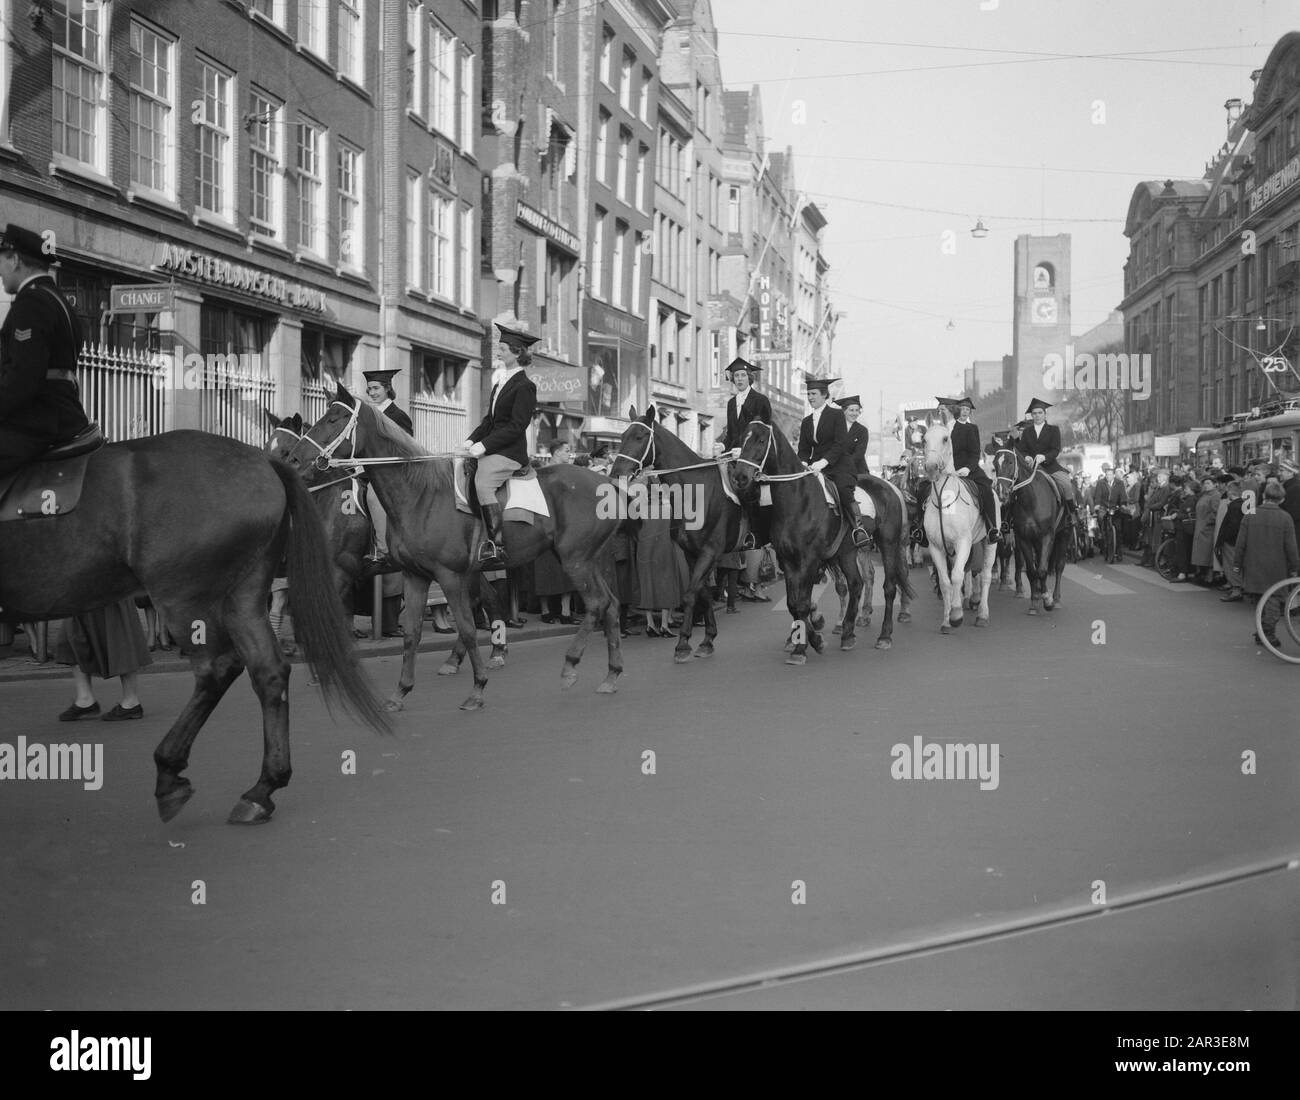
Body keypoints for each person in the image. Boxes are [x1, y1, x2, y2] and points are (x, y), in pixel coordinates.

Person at [0, 222, 90, 476]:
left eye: (1, 262)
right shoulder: (58, 301)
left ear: (15, 260)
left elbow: (23, 378)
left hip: (38, 421)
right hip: (64, 413)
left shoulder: (31, 303)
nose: (0, 272)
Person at [461, 324, 539, 570]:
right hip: (493, 447)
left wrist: (483, 446)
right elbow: (489, 421)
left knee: (482, 482)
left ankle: (497, 544)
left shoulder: (525, 386)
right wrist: (471, 440)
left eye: (503, 348)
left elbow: (516, 426)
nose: (498, 352)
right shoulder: (500, 383)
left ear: (517, 353)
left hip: (510, 453)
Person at [797, 377, 872, 549]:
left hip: (838, 465)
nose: (810, 397)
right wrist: (802, 463)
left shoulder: (837, 415)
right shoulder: (806, 421)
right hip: (814, 466)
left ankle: (858, 528)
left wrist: (823, 462)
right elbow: (803, 448)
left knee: (842, 489)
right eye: (808, 394)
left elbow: (839, 444)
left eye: (814, 394)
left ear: (824, 395)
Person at [54, 598, 150, 721]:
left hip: (111, 589)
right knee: (71, 637)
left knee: (120, 637)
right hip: (80, 590)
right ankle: (85, 699)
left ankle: (131, 702)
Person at [359, 367, 414, 576]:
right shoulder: (368, 414)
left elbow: (405, 448)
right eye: (369, 389)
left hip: (391, 473)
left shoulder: (398, 416)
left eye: (375, 388)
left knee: (373, 497)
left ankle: (383, 551)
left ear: (387, 389)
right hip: (366, 470)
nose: (371, 393)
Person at [1235, 481, 1299, 647]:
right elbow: (1291, 546)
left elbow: (1240, 542)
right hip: (1277, 566)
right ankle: (1267, 633)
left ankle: (1261, 630)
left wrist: (1237, 563)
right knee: (1274, 600)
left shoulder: (1250, 514)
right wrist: (1294, 567)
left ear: (1264, 496)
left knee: (1258, 599)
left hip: (1254, 563)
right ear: (1282, 499)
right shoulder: (1285, 518)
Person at [721, 357, 774, 556]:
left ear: (750, 378)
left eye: (743, 375)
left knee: (751, 491)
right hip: (734, 456)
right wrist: (723, 445)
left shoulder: (761, 400)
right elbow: (731, 434)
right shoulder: (730, 403)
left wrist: (743, 452)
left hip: (754, 458)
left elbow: (764, 433)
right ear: (732, 379)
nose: (740, 379)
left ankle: (755, 534)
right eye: (736, 375)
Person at [1011, 397, 1079, 539]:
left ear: (1045, 414)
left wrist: (1044, 457)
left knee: (1066, 483)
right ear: (1032, 415)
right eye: (1034, 413)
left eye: (1039, 413)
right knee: (1013, 487)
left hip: (1050, 466)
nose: (1037, 416)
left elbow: (1055, 449)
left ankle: (1072, 513)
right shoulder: (1028, 432)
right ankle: (1010, 519)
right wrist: (1027, 457)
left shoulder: (1053, 430)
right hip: (1031, 469)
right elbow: (1021, 450)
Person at [1215, 479, 1247, 601]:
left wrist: (1225, 538)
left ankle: (1236, 590)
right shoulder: (1242, 504)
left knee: (1231, 564)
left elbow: (1233, 526)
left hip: (1231, 541)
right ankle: (1236, 588)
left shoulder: (1234, 506)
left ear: (1230, 492)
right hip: (1237, 540)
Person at [1191, 475, 1222, 584]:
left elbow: (1215, 512)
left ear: (1215, 484)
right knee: (1201, 553)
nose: (1206, 485)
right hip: (1200, 526)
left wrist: (1206, 522)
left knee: (1207, 553)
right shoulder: (1204, 495)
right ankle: (1202, 574)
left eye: (1208, 483)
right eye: (1205, 483)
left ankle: (1210, 576)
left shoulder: (1215, 496)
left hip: (1208, 529)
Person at [841, 395, 871, 477]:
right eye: (851, 410)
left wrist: (843, 466)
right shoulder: (835, 428)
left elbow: (859, 453)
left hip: (858, 470)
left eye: (857, 410)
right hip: (836, 469)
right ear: (844, 411)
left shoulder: (862, 430)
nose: (854, 413)